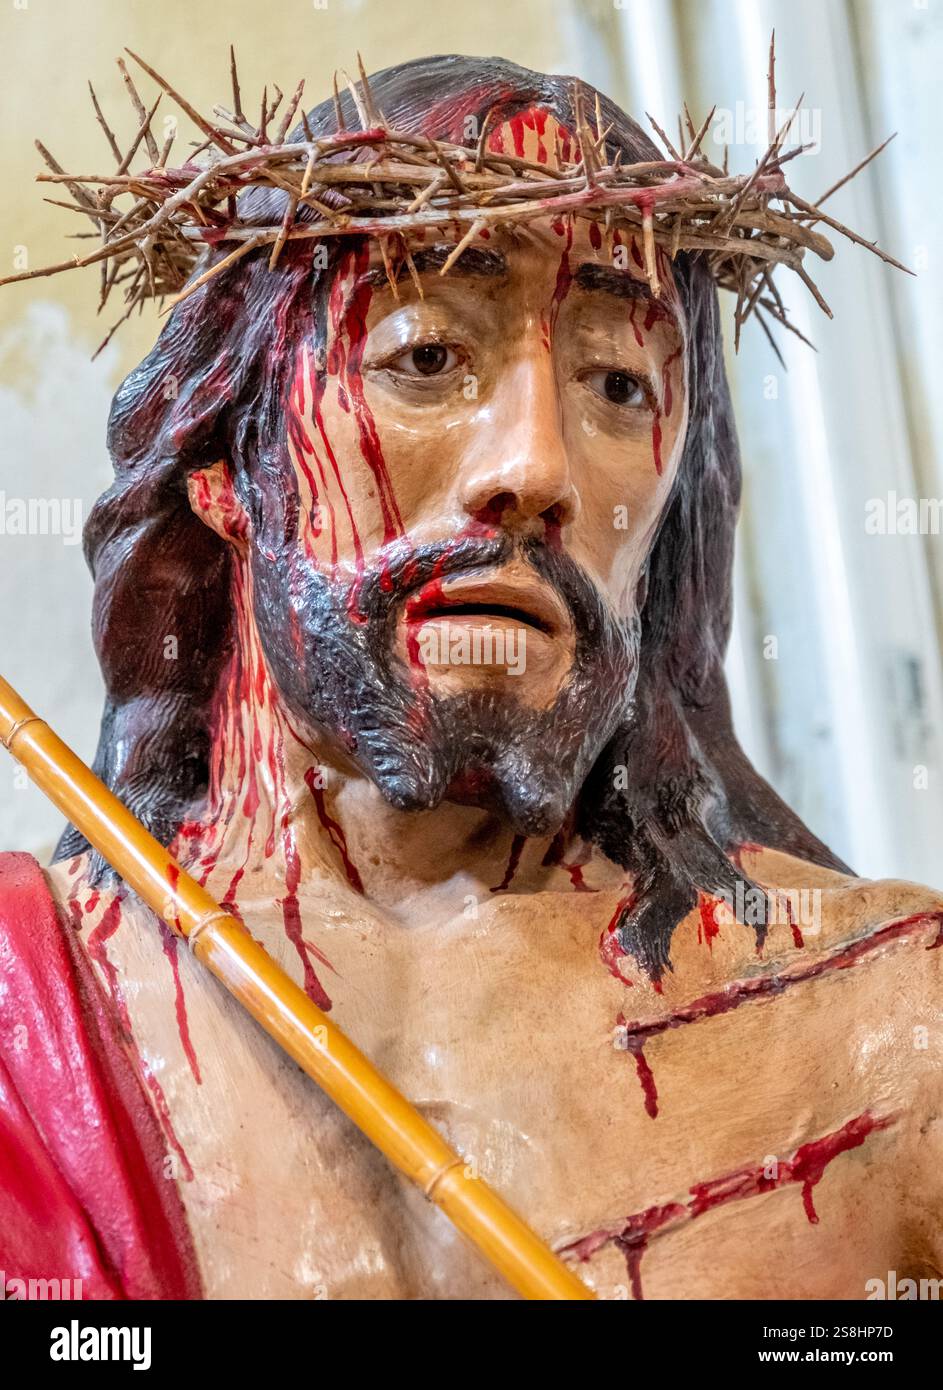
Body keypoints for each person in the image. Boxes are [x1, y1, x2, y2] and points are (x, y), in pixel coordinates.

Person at [2, 54, 940, 1300]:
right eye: (427, 357)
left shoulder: (886, 1034)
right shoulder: (34, 1018)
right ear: (231, 465)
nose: (537, 467)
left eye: (618, 385)